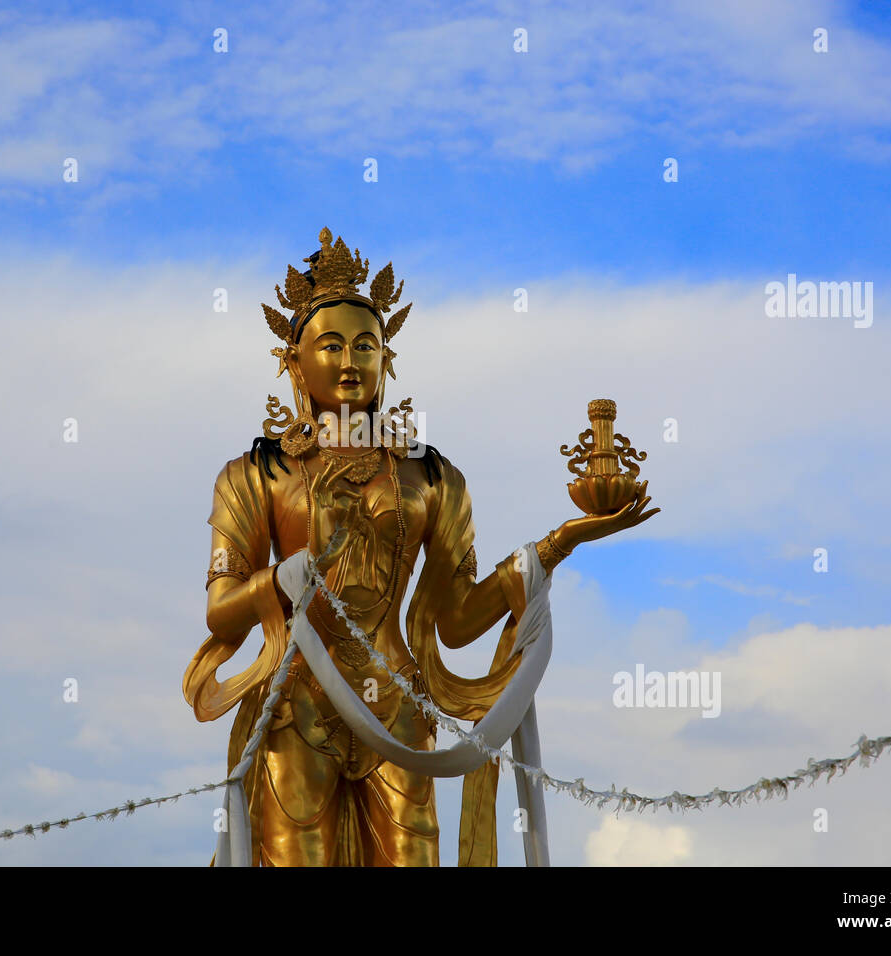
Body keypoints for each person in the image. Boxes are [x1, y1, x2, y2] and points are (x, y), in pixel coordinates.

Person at [183, 228, 656, 865]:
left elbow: (458, 618)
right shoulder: (257, 473)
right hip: (296, 707)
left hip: (397, 705)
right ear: (292, 361)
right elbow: (220, 609)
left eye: (366, 345)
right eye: (330, 345)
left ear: (388, 359)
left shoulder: (430, 477)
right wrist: (280, 581)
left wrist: (559, 543)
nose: (350, 361)